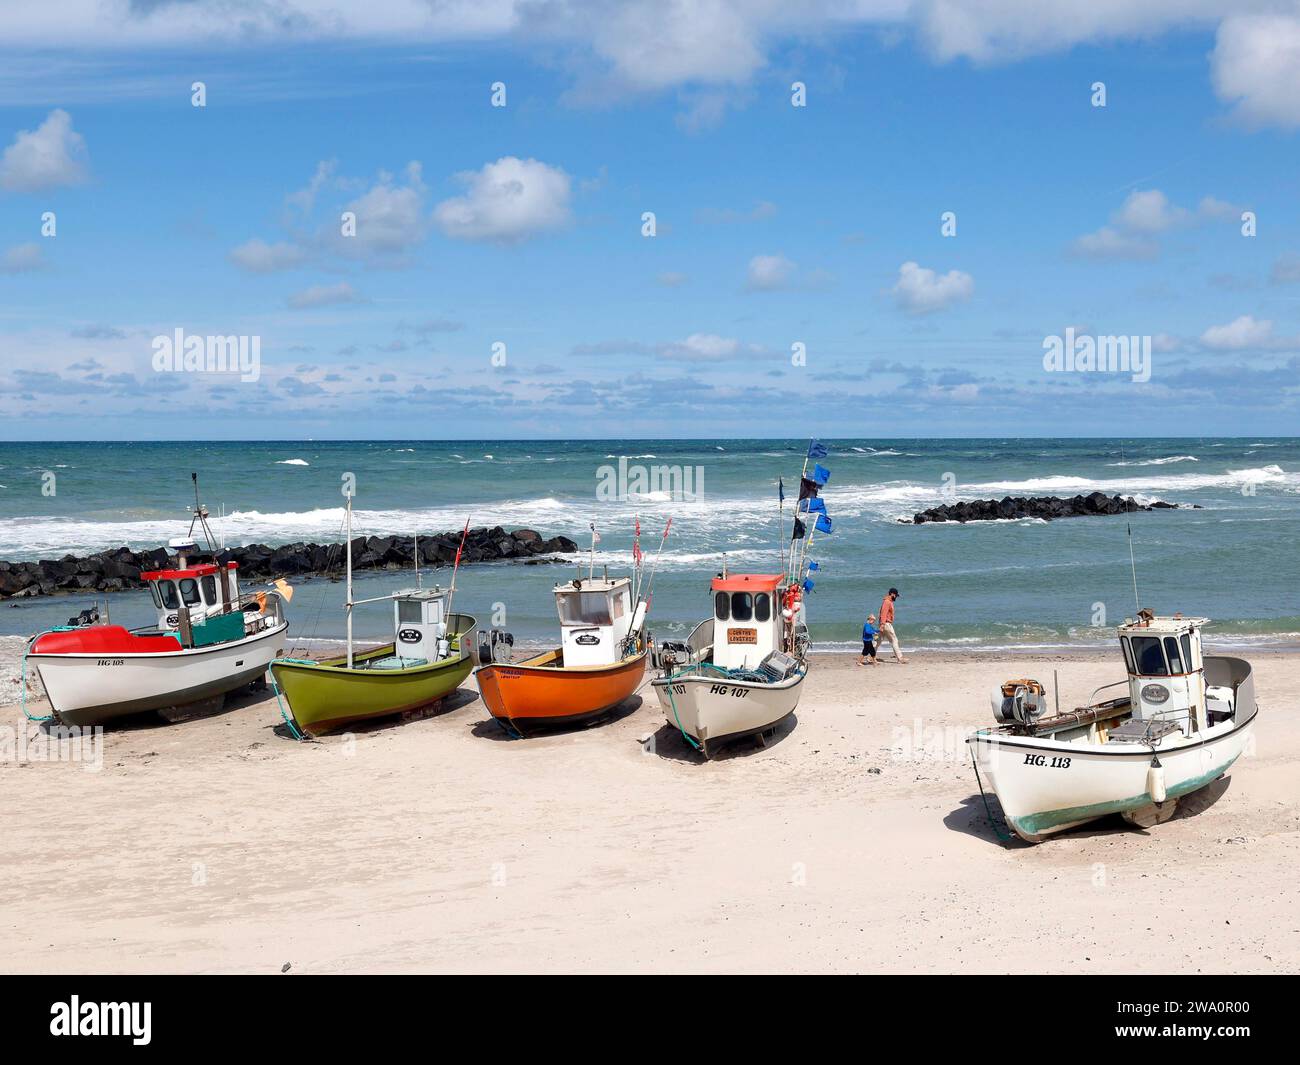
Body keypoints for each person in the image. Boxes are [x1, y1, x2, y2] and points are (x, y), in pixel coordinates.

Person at [879, 587, 906, 663]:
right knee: (894, 640)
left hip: (883, 623)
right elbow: (883, 613)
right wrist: (882, 624)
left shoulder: (888, 601)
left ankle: (871, 656)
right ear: (892, 594)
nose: (896, 597)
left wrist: (881, 624)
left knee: (878, 641)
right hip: (886, 624)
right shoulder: (887, 602)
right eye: (896, 596)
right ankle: (900, 658)